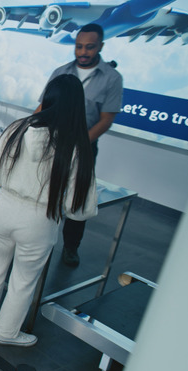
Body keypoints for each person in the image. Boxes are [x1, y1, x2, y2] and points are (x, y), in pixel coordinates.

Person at [0, 74, 98, 347]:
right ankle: (7, 332)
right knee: (24, 280)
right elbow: (79, 206)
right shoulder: (75, 144)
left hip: (4, 208)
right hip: (39, 219)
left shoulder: (19, 127)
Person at [35, 23, 122, 267]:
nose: (83, 52)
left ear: (100, 47)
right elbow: (42, 108)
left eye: (89, 47)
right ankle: (40, 236)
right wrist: (27, 130)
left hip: (84, 147)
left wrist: (79, 145)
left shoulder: (112, 79)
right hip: (51, 143)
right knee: (44, 188)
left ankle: (71, 247)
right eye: (79, 46)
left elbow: (106, 120)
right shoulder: (61, 71)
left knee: (76, 198)